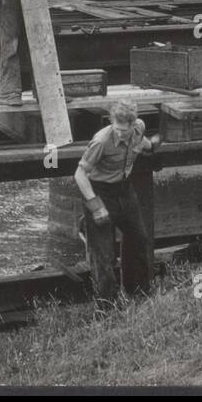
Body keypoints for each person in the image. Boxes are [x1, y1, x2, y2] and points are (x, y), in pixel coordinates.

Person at [74, 100, 160, 307]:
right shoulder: (101, 141)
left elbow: (144, 143)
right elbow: (79, 174)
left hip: (124, 190)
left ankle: (139, 294)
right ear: (112, 122)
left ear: (133, 125)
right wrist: (96, 207)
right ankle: (107, 306)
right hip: (100, 192)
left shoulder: (138, 128)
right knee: (104, 254)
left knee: (140, 239)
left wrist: (153, 145)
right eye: (117, 129)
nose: (120, 134)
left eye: (125, 130)